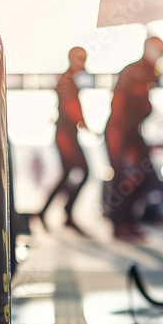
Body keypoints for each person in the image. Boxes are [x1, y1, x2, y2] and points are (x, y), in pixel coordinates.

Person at [104, 36, 163, 242]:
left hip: (131, 131)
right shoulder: (131, 71)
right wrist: (120, 141)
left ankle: (128, 220)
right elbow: (118, 103)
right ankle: (118, 225)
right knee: (123, 177)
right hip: (118, 131)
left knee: (148, 176)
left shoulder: (150, 72)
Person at [39, 47, 91, 235]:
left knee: (69, 172)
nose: (83, 62)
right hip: (65, 135)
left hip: (67, 134)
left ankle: (49, 212)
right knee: (83, 171)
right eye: (80, 58)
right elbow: (70, 106)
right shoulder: (67, 80)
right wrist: (83, 122)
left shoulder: (69, 79)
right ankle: (65, 213)